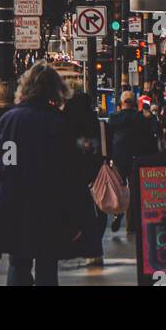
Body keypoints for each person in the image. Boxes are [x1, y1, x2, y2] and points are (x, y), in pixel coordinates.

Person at [0, 62, 101, 287]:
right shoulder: (57, 122)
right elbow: (70, 169)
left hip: (12, 200)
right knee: (47, 263)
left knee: (18, 262)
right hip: (48, 204)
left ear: (24, 87)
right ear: (55, 90)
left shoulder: (8, 120)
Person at [106, 91, 159, 235]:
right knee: (135, 191)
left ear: (120, 104)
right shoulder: (140, 118)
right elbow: (152, 133)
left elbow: (108, 139)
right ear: (134, 104)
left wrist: (108, 158)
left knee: (119, 189)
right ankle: (132, 223)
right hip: (137, 158)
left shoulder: (114, 118)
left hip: (118, 158)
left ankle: (118, 212)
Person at [63, 91, 105, 267]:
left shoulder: (66, 123)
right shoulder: (95, 122)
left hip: (73, 176)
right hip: (95, 174)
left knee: (79, 213)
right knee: (98, 213)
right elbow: (103, 146)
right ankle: (94, 250)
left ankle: (80, 247)